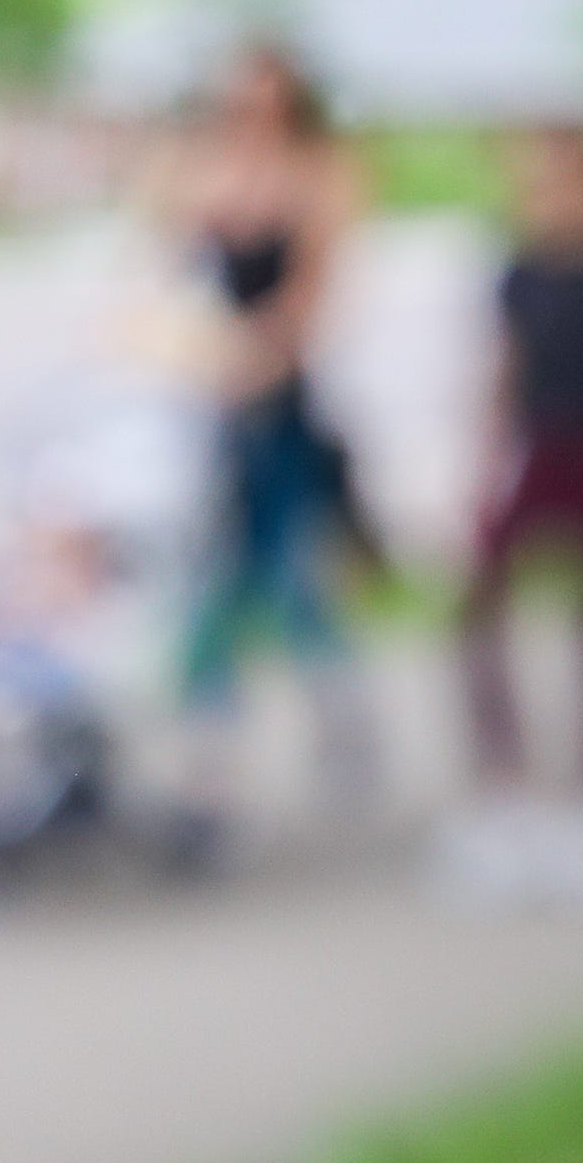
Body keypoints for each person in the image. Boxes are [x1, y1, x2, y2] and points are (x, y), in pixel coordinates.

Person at [159, 44, 378, 870]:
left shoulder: (321, 175)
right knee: (210, 589)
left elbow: (313, 298)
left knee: (290, 585)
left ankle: (338, 723)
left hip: (278, 409)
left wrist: (253, 355)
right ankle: (209, 772)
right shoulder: (197, 171)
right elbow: (170, 277)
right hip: (207, 412)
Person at [442, 123, 583, 905]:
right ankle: (504, 789)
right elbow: (502, 373)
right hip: (534, 450)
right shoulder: (520, 273)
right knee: (477, 613)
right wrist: (481, 467)